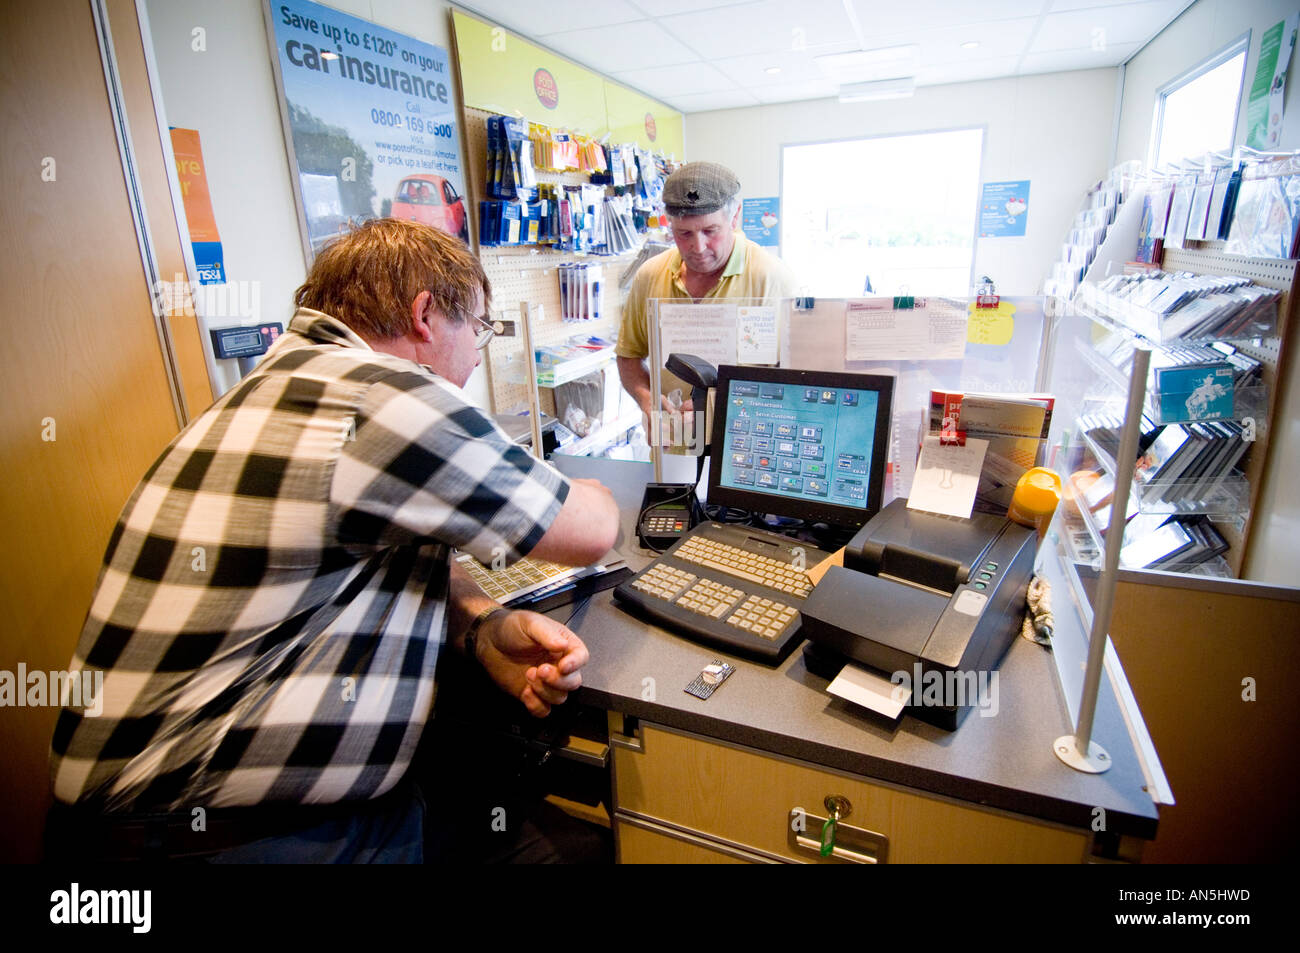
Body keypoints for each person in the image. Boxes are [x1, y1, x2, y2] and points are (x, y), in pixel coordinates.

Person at [46, 219, 619, 862]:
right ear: (426, 315)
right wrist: (597, 486)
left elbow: (388, 544)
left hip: (143, 824)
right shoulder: (381, 396)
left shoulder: (271, 389)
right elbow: (590, 530)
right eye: (480, 328)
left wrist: (480, 628)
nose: (479, 353)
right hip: (226, 837)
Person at [616, 161, 797, 444]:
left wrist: (721, 406)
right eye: (684, 234)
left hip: (743, 451)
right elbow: (629, 356)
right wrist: (647, 399)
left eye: (711, 231)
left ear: (734, 217)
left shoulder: (772, 279)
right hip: (671, 449)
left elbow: (795, 381)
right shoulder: (650, 275)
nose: (698, 248)